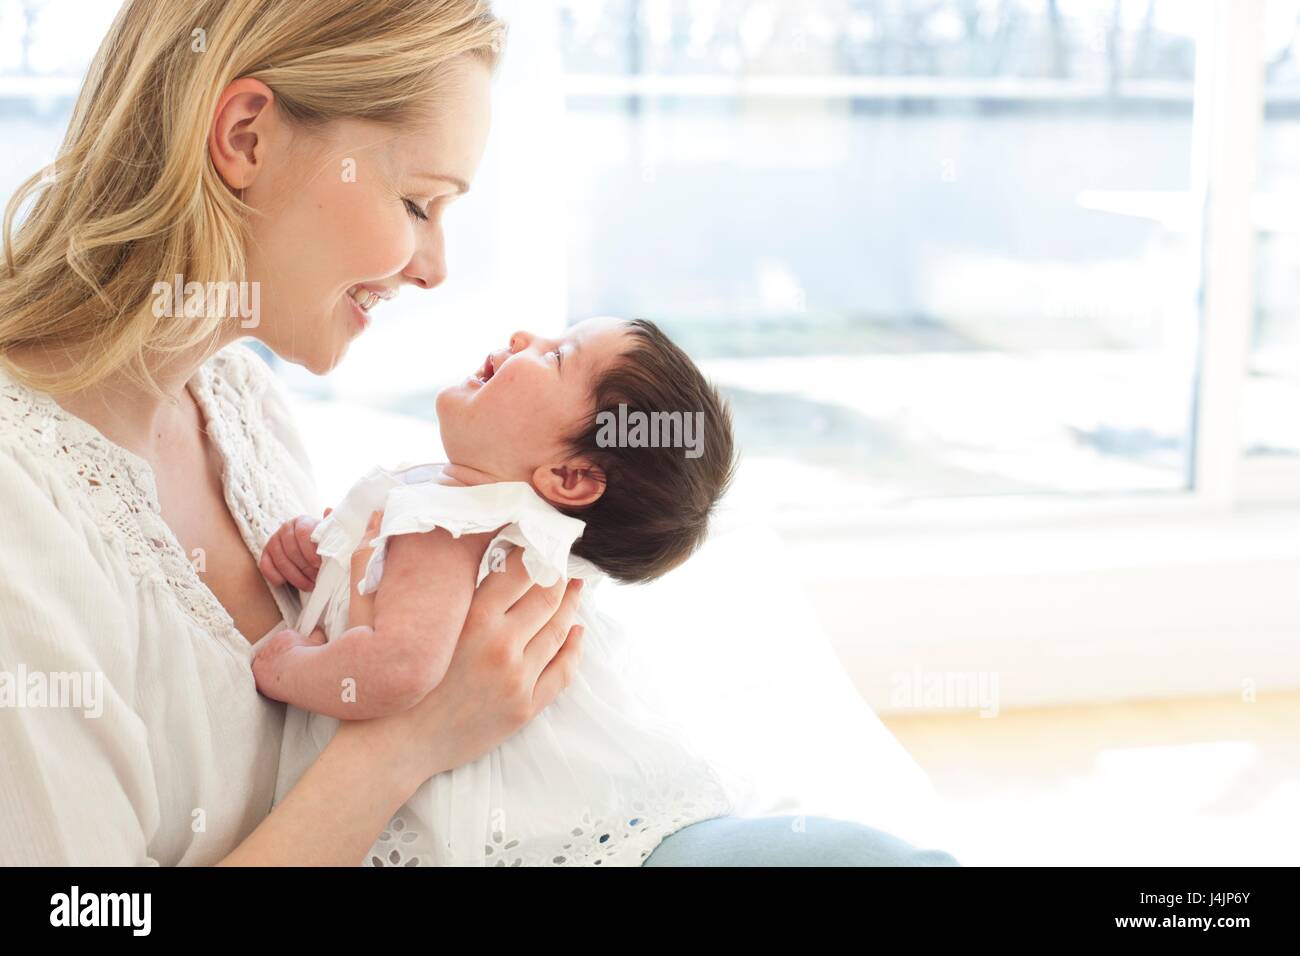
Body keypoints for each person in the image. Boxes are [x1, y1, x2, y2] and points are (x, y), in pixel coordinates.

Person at [0, 0, 956, 866]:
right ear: (246, 136)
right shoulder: (22, 510)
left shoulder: (239, 404)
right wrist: (409, 743)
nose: (435, 267)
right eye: (418, 203)